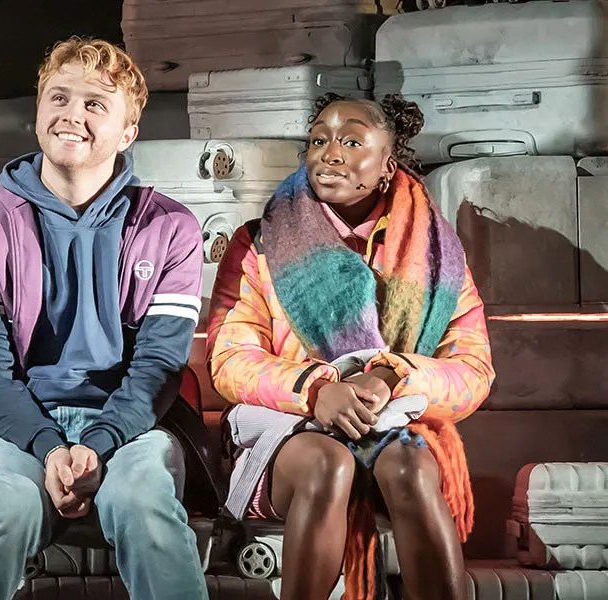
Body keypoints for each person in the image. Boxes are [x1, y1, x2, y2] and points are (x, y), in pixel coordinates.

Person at [0, 37, 209, 600]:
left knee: (144, 501)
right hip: (11, 424)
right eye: (58, 98)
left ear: (128, 132)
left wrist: (100, 442)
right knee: (2, 511)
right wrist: (50, 448)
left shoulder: (169, 226)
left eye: (95, 104)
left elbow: (158, 366)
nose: (71, 115)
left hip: (134, 424)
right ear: (37, 115)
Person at [206, 93, 495, 600]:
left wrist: (389, 377)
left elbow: (472, 368)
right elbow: (230, 359)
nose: (330, 152)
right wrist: (317, 391)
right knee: (327, 462)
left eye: (352, 140)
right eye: (318, 139)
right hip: (290, 427)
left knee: (408, 465)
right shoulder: (259, 243)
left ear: (388, 164)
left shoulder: (437, 255)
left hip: (393, 420)